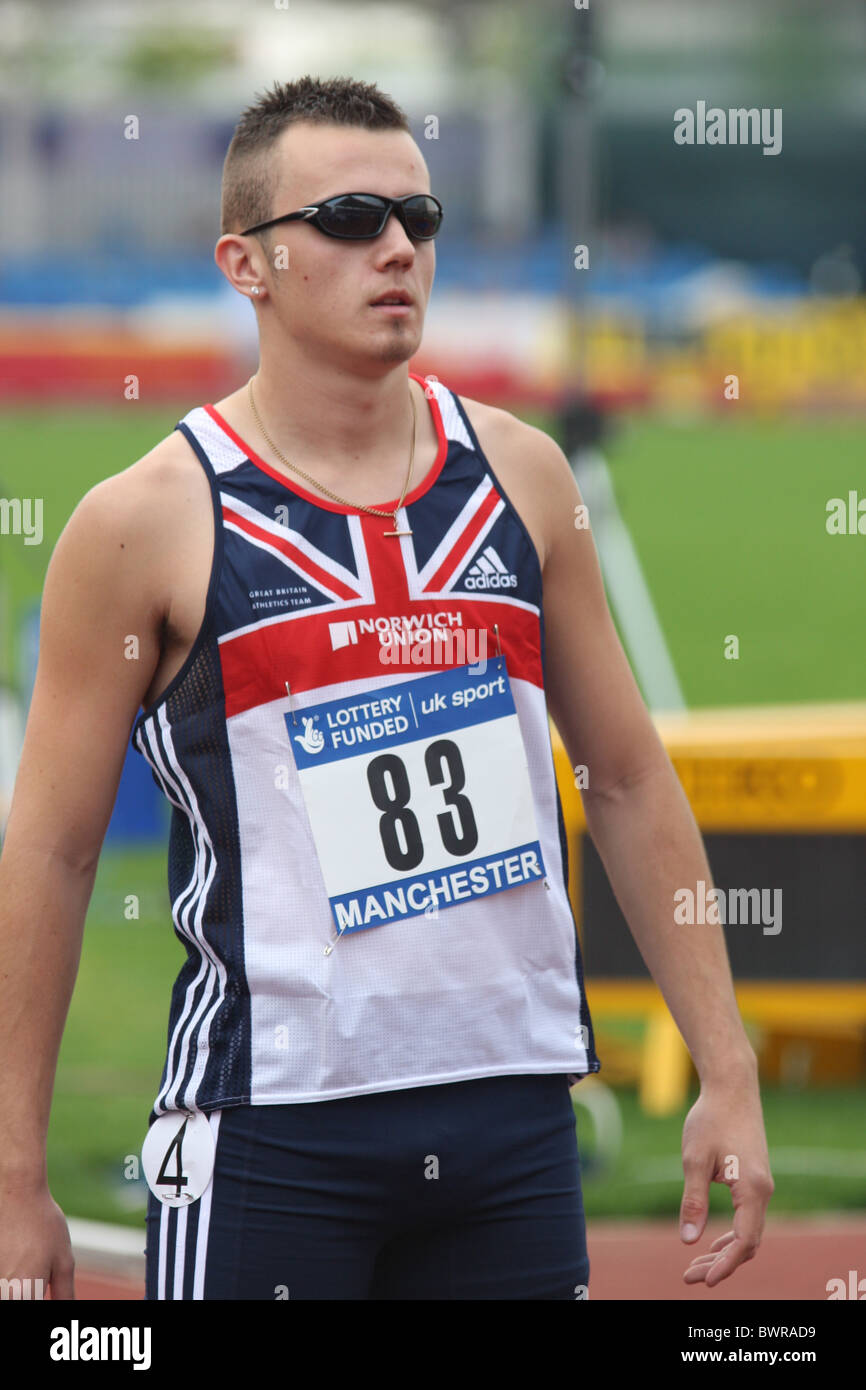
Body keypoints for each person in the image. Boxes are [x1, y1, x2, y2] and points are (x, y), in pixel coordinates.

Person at [0, 75, 772, 1302]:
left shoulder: (521, 479)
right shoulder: (144, 524)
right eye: (351, 218)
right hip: (267, 1124)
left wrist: (724, 1067)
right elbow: (51, 851)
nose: (398, 246)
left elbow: (624, 776)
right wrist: (13, 1171)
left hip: (511, 1120)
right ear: (246, 265)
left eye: (420, 216)